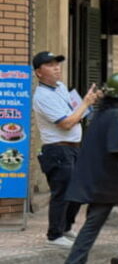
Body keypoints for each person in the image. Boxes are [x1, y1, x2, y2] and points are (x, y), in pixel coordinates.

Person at [61, 73, 118, 264]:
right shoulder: (115, 115)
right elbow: (116, 147)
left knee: (93, 224)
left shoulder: (100, 114)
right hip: (115, 180)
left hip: (100, 180)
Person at [32, 51, 100, 248]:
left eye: (57, 64)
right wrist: (86, 103)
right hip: (57, 150)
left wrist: (88, 102)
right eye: (50, 65)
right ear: (38, 73)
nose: (56, 68)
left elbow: (76, 111)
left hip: (74, 148)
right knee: (61, 193)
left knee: (80, 190)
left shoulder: (61, 87)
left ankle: (67, 227)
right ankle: (55, 234)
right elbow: (67, 123)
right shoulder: (42, 96)